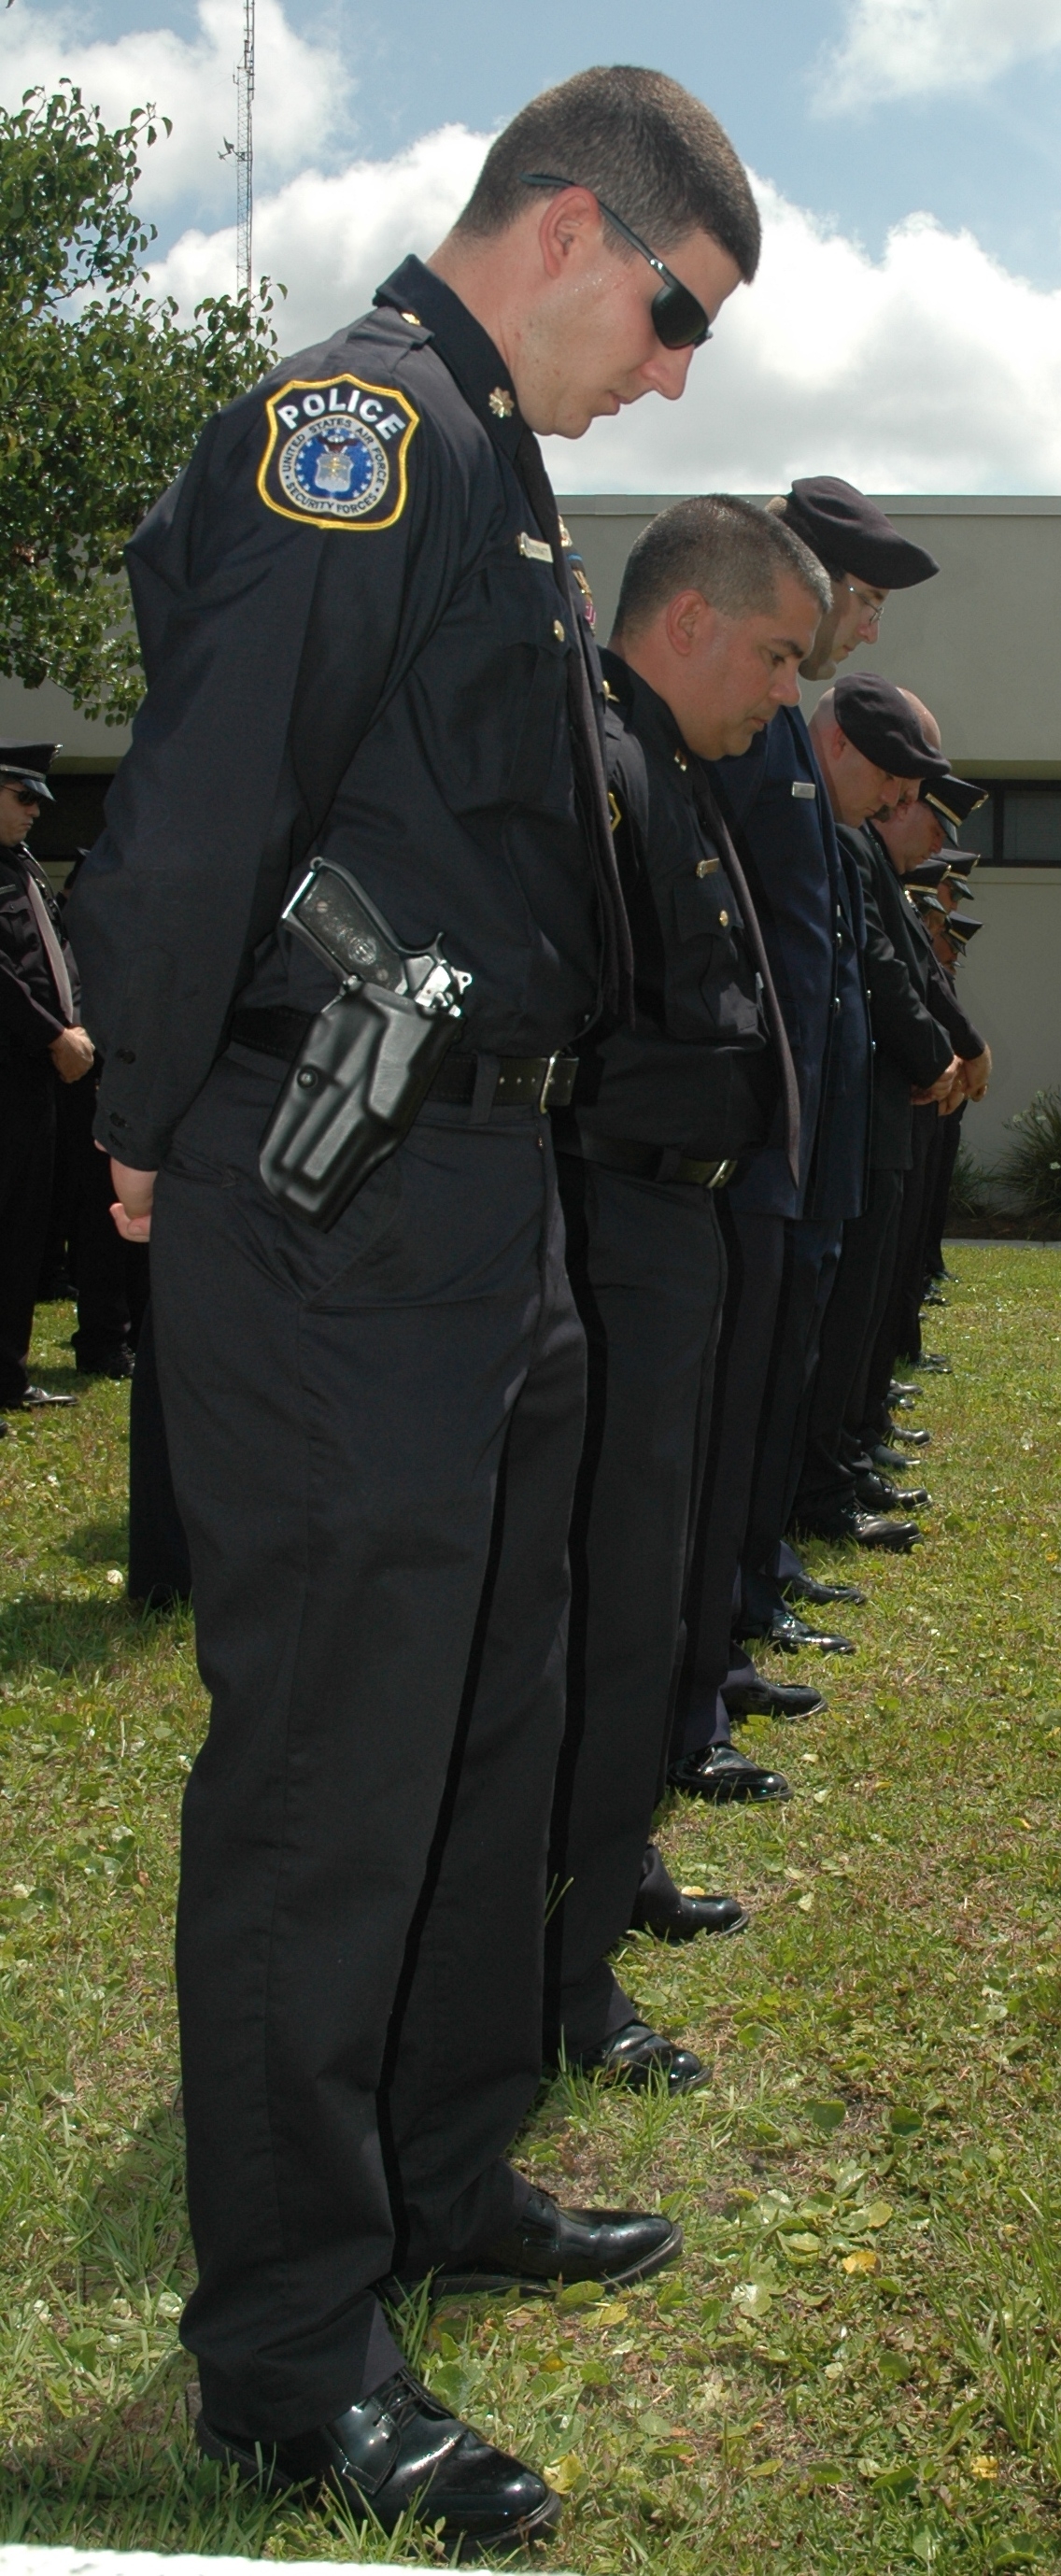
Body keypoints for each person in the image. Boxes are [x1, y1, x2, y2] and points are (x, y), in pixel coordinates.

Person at [68, 66, 761, 2555]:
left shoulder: (498, 466)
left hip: (488, 1188)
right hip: (335, 1185)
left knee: (491, 1712)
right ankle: (285, 2347)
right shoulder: (359, 432)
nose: (675, 369)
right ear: (574, 231)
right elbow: (207, 784)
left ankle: (450, 2164)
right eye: (675, 315)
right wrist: (147, 1110)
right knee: (329, 1779)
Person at [544, 494, 825, 2085]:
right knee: (605, 1600)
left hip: (680, 1233)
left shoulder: (679, 769)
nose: (788, 693)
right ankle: (562, 1971)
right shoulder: (609, 764)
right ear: (691, 617)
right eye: (779, 654)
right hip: (616, 1226)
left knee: (650, 1596)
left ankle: (610, 1865)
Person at [720, 479, 940, 1665]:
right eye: (858, 595)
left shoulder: (784, 755)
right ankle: (737, 1604)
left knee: (783, 1375)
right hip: (768, 1146)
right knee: (750, 1392)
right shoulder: (754, 746)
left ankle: (755, 1583)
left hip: (808, 1146)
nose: (866, 622)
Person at [793, 678, 981, 1546]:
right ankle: (823, 1487)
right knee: (836, 1319)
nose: (911, 813)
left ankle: (840, 1465)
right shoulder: (842, 836)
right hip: (850, 1110)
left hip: (872, 1108)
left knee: (862, 1306)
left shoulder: (856, 845)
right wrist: (938, 1055)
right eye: (909, 800)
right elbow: (883, 970)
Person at [0, 743, 93, 1414]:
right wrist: (52, 1032)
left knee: (27, 1227)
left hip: (38, 1077)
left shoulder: (19, 865)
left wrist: (76, 1027)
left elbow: (57, 958)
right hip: (11, 1067)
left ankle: (7, 1375)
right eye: (21, 797)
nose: (35, 812)